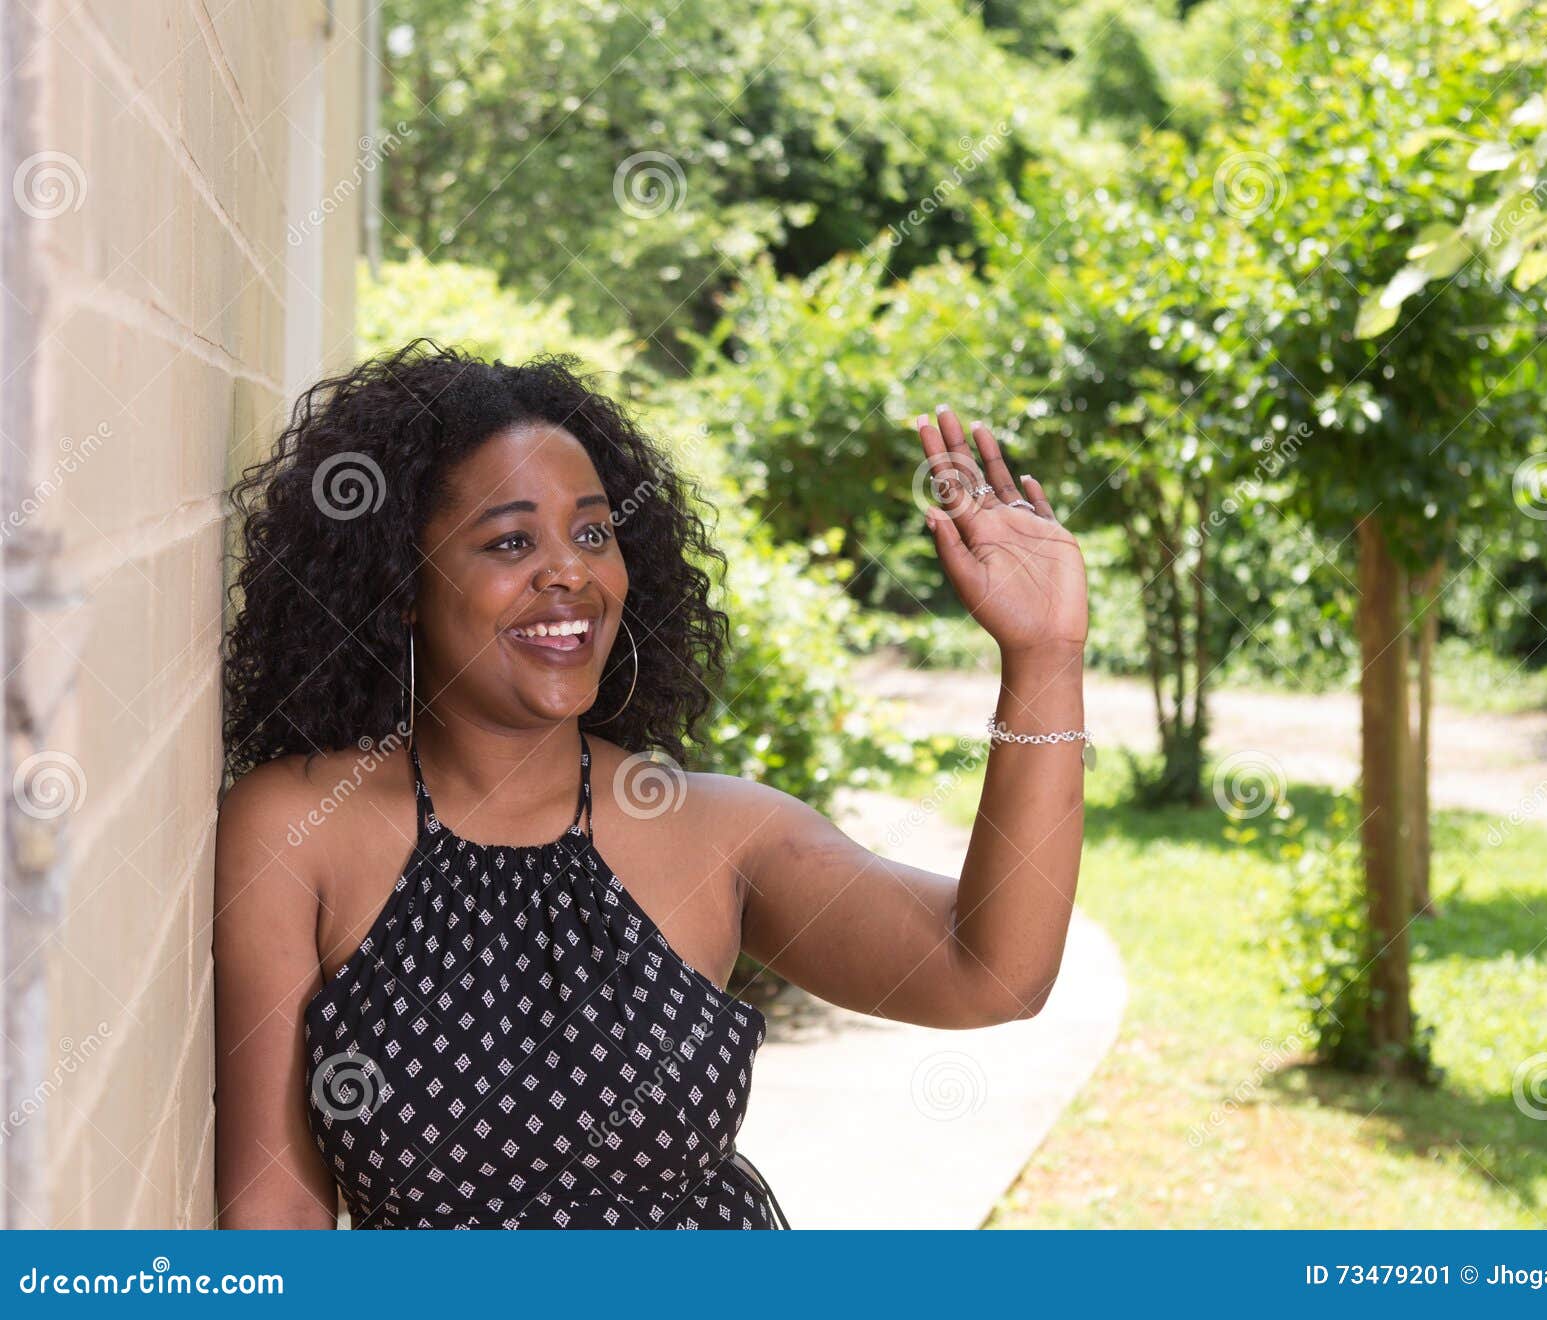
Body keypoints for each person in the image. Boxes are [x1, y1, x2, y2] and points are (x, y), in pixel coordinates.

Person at [213, 340, 1089, 1229]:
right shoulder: (296, 828)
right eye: (511, 540)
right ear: (403, 584)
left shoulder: (715, 834)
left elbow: (989, 973)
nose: (571, 572)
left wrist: (1045, 658)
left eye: (593, 532)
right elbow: (274, 1207)